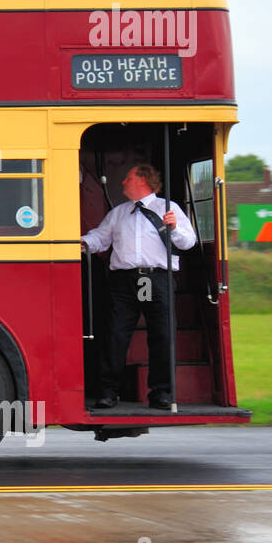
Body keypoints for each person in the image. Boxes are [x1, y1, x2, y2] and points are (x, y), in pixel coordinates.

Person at [81, 164, 196, 410]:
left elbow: (188, 242)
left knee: (162, 335)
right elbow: (101, 237)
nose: (123, 182)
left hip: (155, 279)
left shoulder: (168, 209)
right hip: (124, 281)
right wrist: (81, 243)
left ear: (143, 180)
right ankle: (108, 392)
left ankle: (161, 393)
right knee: (115, 335)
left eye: (128, 177)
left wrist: (174, 228)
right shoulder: (119, 213)